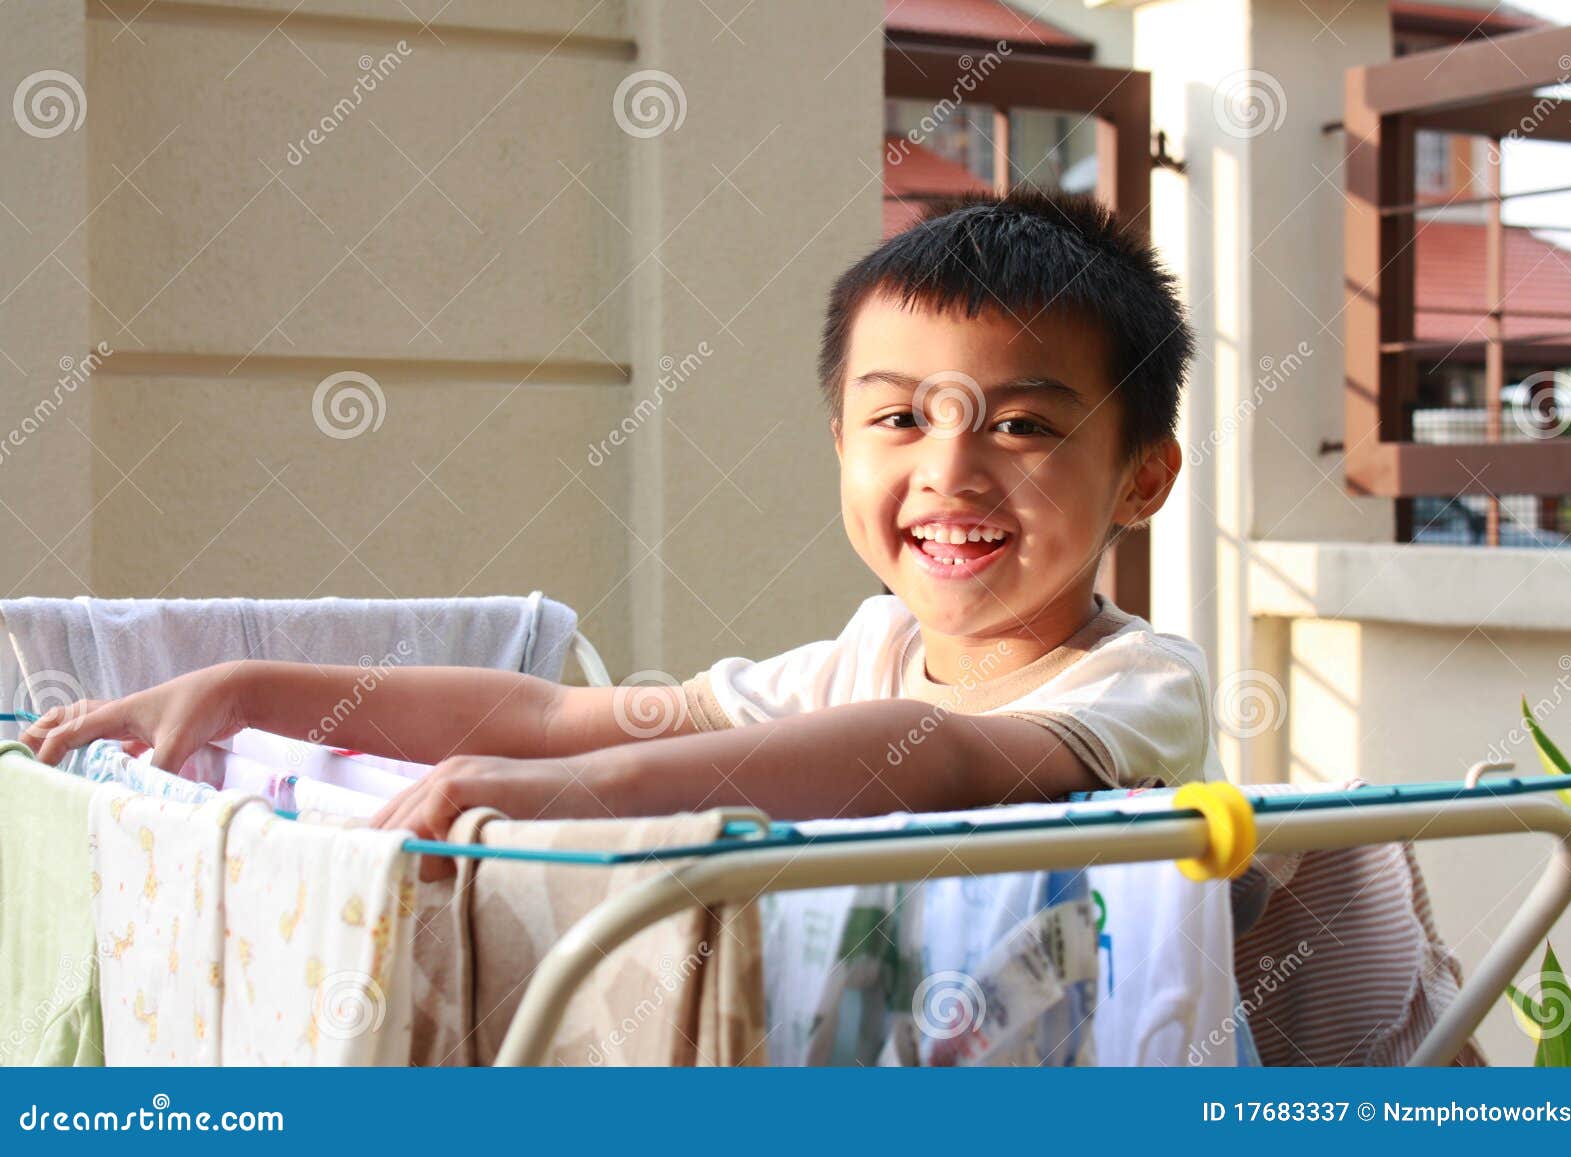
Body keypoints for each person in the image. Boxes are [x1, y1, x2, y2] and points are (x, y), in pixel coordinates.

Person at [23, 188, 1214, 861]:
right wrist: (243, 687)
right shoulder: (863, 653)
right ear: (840, 450)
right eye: (897, 417)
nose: (948, 472)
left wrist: (595, 790)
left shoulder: (1138, 683)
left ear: (1141, 478)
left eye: (1019, 426)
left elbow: (932, 752)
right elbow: (545, 712)